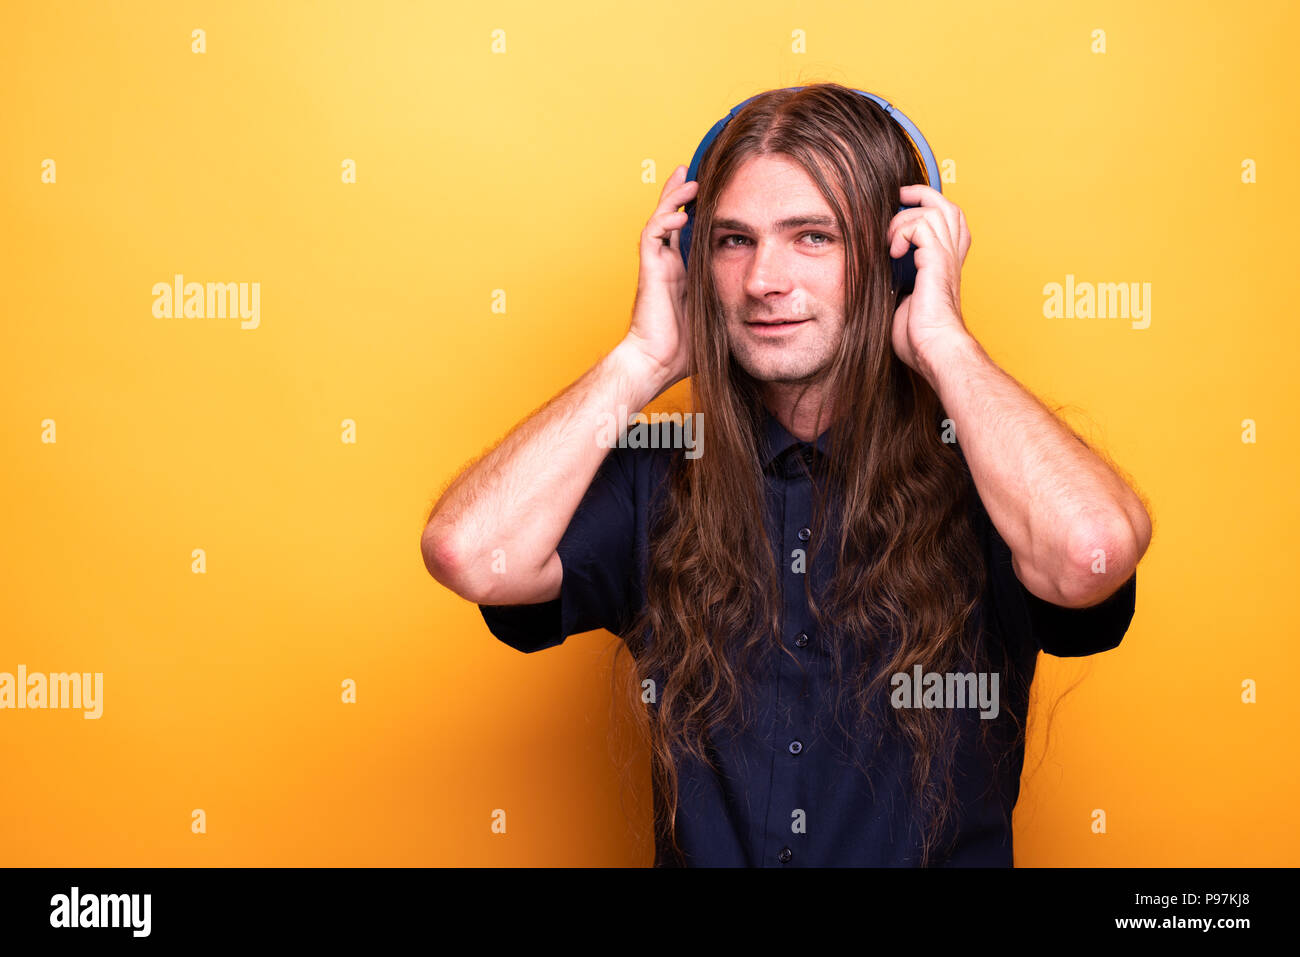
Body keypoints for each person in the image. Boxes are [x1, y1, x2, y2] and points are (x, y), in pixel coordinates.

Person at [420, 83, 1152, 867]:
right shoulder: (657, 477)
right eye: (734, 240)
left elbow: (1089, 553)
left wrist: (944, 341)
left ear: (898, 258)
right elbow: (468, 551)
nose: (763, 280)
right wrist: (641, 360)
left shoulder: (994, 474)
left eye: (812, 237)